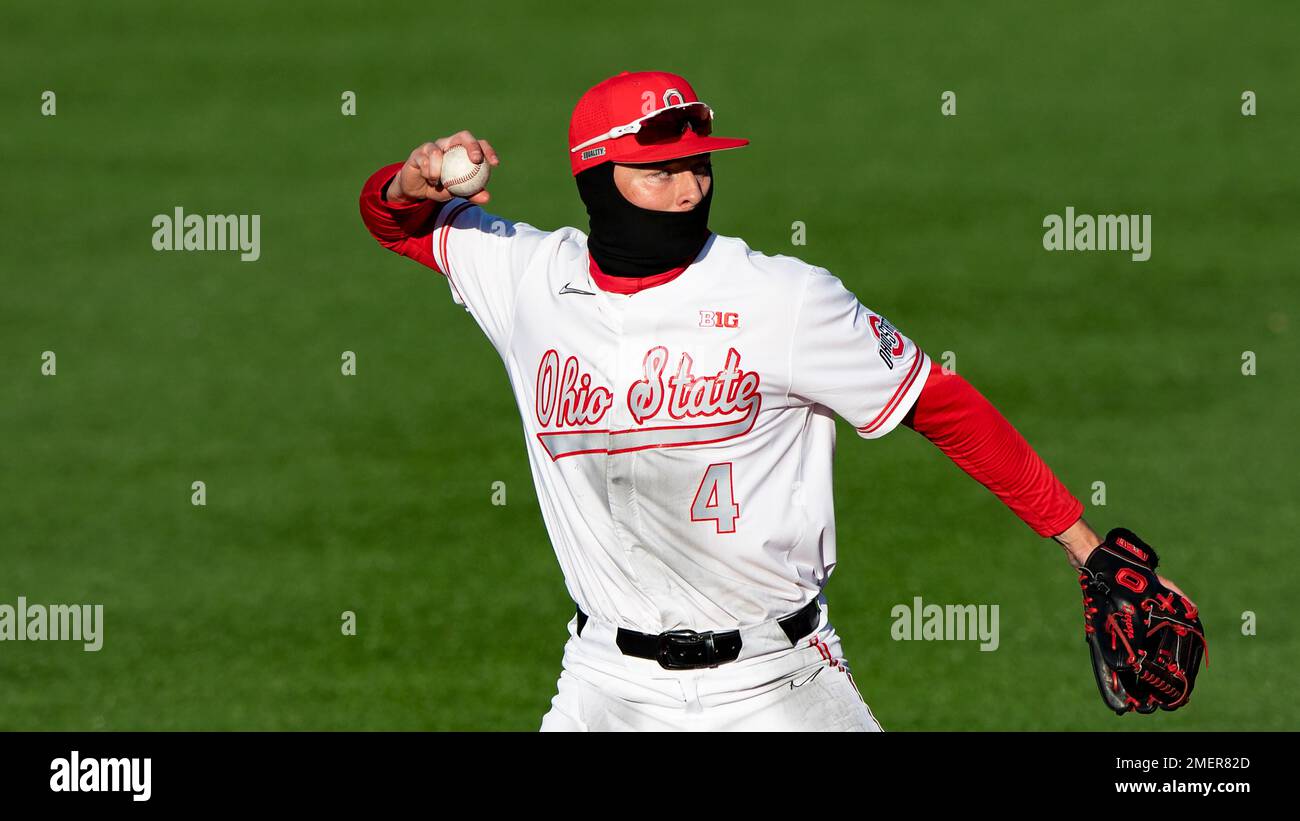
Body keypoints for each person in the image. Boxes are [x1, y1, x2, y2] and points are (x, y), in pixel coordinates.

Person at [358, 70, 1194, 731]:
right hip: (605, 688)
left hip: (776, 683)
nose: (689, 189)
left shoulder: (785, 298)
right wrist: (412, 176)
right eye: (660, 171)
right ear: (598, 176)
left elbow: (943, 404)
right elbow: (392, 222)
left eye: (700, 164)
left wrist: (1082, 542)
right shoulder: (528, 278)